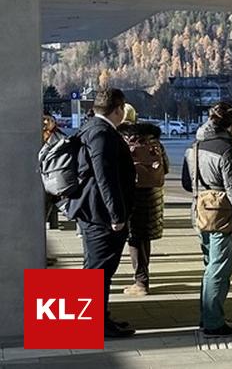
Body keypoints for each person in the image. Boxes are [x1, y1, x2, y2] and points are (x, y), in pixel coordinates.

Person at [64, 88, 136, 339]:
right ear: (118, 109)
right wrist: (117, 216)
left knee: (96, 269)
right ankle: (93, 324)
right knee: (98, 271)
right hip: (99, 214)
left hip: (94, 211)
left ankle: (96, 319)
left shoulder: (92, 128)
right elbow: (105, 177)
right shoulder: (101, 133)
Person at [183, 101, 232, 337]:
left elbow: (186, 183)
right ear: (229, 125)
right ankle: (213, 322)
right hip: (222, 217)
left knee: (210, 266)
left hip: (200, 213)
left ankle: (207, 317)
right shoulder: (227, 151)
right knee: (219, 269)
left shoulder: (194, 147)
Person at [118, 105, 167, 297]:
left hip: (130, 194)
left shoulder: (121, 139)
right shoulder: (152, 138)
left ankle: (140, 282)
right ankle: (143, 278)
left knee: (134, 239)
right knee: (143, 238)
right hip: (152, 195)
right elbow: (165, 166)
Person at [42, 113, 65, 231]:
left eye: (48, 120)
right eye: (44, 120)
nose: (45, 122)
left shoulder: (59, 137)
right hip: (41, 174)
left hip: (51, 175)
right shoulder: (38, 135)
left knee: (49, 201)